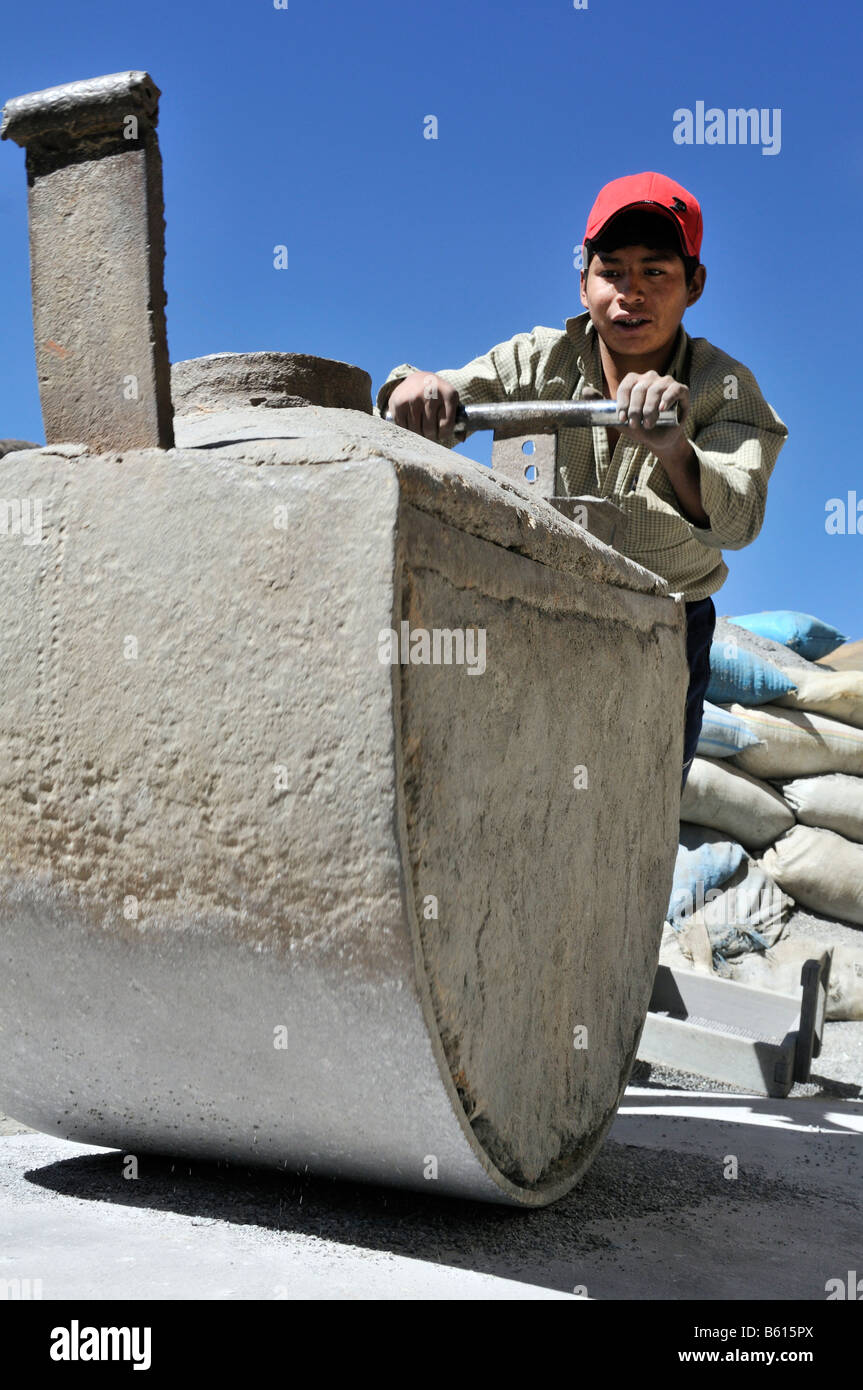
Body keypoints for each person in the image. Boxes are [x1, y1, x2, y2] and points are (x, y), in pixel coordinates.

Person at [376, 171, 788, 790]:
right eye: (612, 272)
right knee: (520, 788)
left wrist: (676, 448)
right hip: (535, 608)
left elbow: (738, 522)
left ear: (694, 285)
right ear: (584, 281)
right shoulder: (538, 360)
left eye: (656, 272)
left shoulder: (724, 387)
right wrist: (414, 386)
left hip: (666, 625)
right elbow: (442, 394)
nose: (631, 294)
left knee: (636, 807)